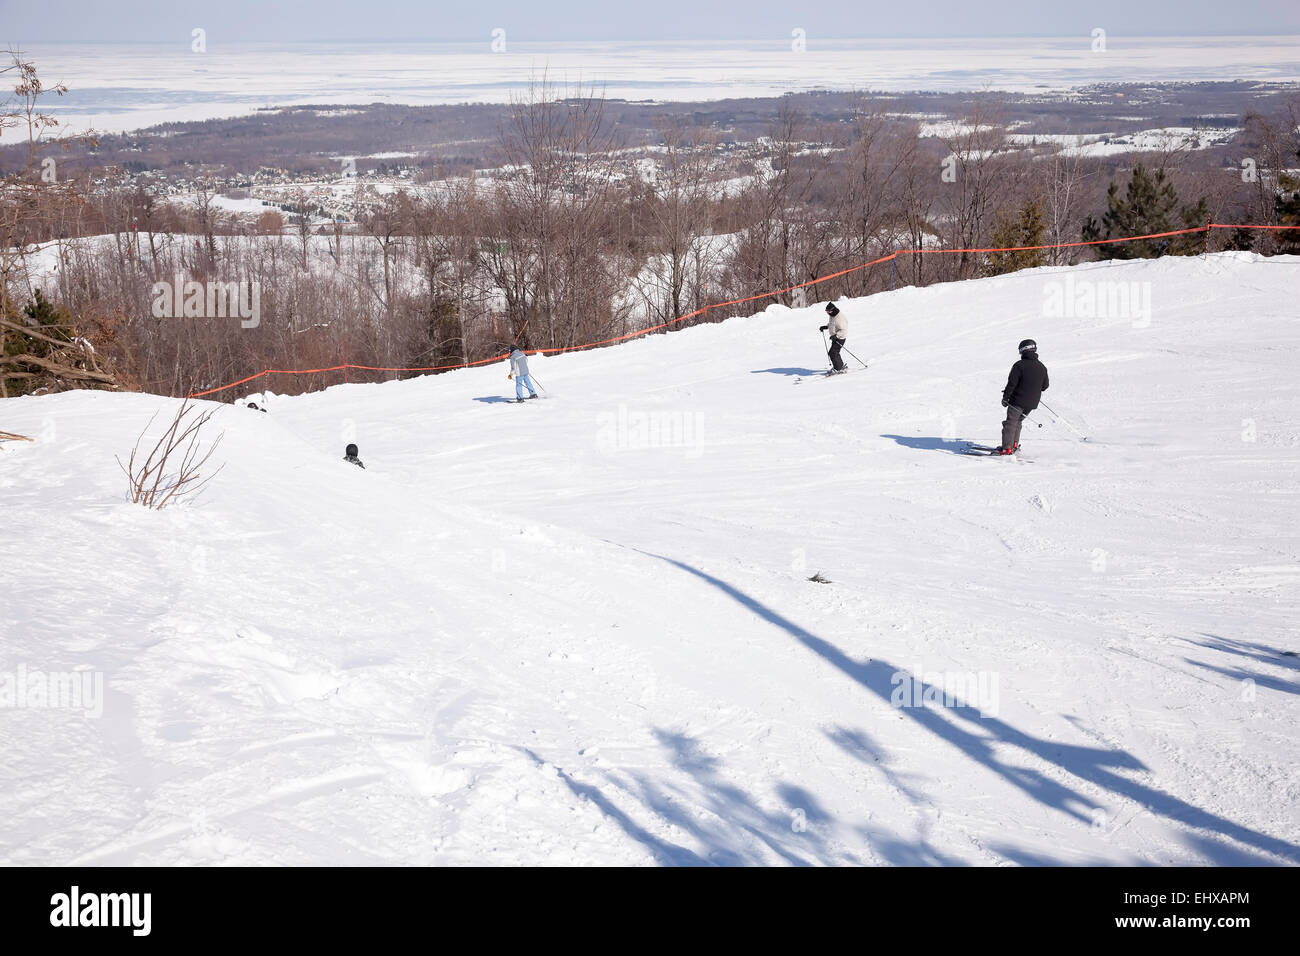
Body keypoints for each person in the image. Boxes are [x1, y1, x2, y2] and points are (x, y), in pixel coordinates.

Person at [994, 339, 1049, 455]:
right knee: (1018, 421)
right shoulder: (1042, 367)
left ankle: (1007, 449)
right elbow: (1045, 386)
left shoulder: (1019, 365)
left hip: (1018, 400)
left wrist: (1005, 397)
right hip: (1032, 402)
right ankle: (1013, 445)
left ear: (1022, 351)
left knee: (1010, 423)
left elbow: (1012, 384)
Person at [819, 302, 847, 373]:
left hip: (840, 338)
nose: (827, 313)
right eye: (827, 311)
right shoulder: (832, 315)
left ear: (833, 310)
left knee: (833, 353)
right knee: (834, 352)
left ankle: (838, 368)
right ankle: (840, 366)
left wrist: (836, 336)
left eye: (828, 311)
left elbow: (843, 330)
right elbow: (832, 324)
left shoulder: (840, 318)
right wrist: (826, 327)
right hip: (835, 338)